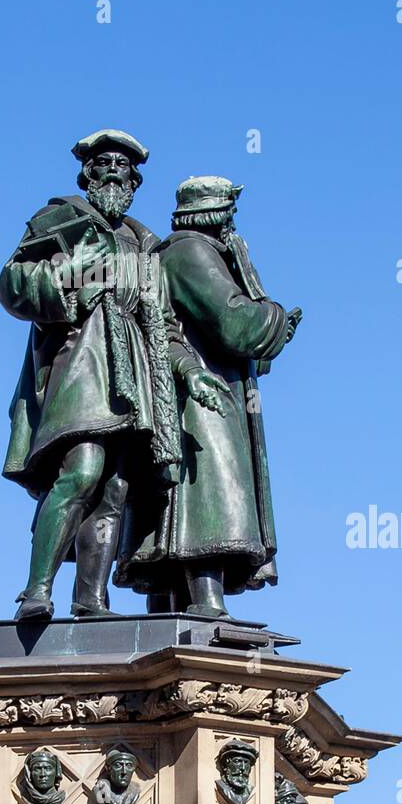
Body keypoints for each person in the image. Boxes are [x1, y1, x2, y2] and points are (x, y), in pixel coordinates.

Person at [0, 132, 223, 621]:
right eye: (105, 163)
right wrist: (72, 274)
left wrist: (190, 372)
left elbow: (162, 323)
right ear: (88, 173)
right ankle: (36, 591)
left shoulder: (143, 245)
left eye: (124, 166)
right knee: (81, 471)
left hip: (135, 372)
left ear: (135, 181)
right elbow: (13, 285)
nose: (115, 172)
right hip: (82, 364)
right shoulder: (63, 218)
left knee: (117, 489)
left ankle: (91, 601)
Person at [115, 176, 301, 619]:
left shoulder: (183, 251)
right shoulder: (190, 251)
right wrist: (274, 317)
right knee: (205, 491)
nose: (234, 223)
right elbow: (232, 321)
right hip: (196, 400)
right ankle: (205, 601)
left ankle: (171, 607)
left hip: (195, 389)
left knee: (184, 497)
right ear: (216, 213)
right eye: (230, 211)